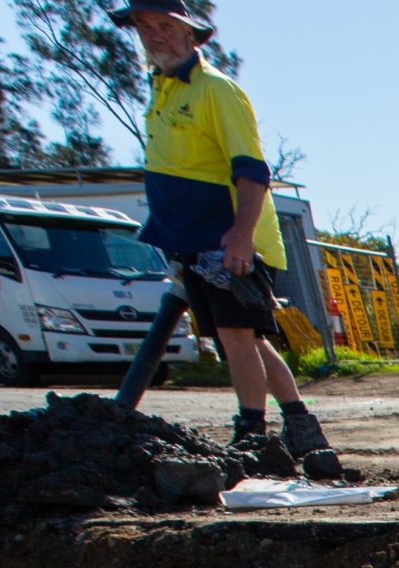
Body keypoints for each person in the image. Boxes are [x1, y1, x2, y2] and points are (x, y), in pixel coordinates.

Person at [114, 0, 329, 456]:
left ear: (190, 33)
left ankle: (252, 434)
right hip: (193, 240)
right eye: (145, 27)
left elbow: (251, 169)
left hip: (229, 240)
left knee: (237, 338)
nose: (155, 36)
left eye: (166, 26)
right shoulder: (161, 89)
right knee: (244, 338)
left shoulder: (217, 90)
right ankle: (301, 427)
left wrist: (241, 235)